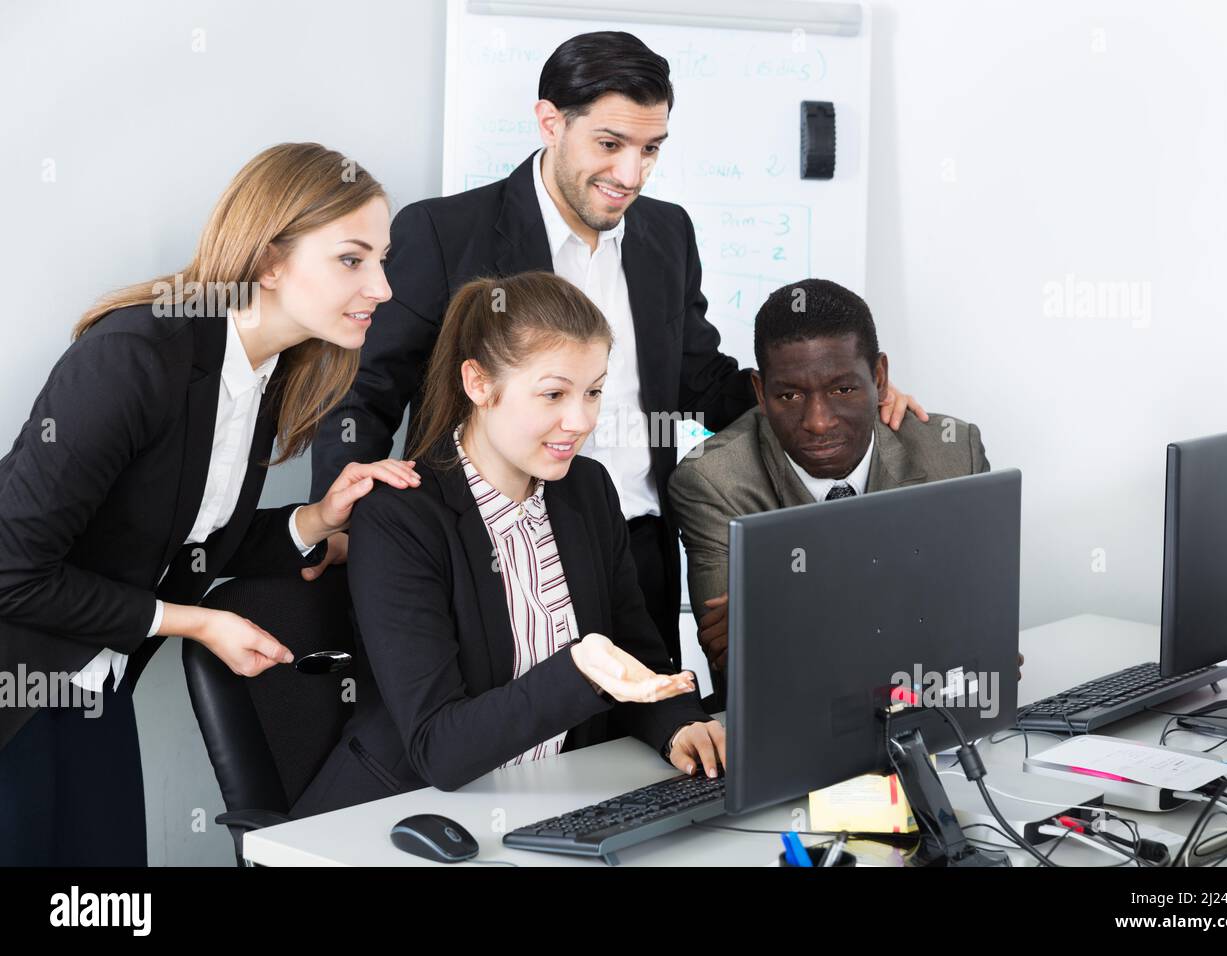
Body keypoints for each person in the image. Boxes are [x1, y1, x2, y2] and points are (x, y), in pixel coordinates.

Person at [308, 31, 927, 670]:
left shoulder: (667, 233)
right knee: (512, 753)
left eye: (650, 149)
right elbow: (366, 393)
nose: (630, 174)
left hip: (637, 551)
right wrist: (345, 515)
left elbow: (698, 381)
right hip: (491, 551)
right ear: (550, 122)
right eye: (610, 145)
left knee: (649, 748)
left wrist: (838, 398)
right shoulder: (444, 233)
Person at [0, 142, 420, 865]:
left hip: (91, 684)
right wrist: (196, 622)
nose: (382, 287)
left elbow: (181, 537)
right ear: (268, 262)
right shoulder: (134, 357)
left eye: (383, 258)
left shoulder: (261, 376)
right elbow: (10, 567)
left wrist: (316, 520)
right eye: (353, 259)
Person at [291, 271, 725, 816]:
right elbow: (439, 748)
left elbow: (636, 653)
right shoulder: (401, 518)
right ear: (478, 384)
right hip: (404, 815)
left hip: (546, 802)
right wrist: (578, 670)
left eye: (593, 391)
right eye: (553, 394)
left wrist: (677, 725)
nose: (580, 420)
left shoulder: (587, 491)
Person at [669, 279, 991, 706]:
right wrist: (921, 621)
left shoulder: (952, 452)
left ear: (879, 377)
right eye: (790, 394)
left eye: (842, 389)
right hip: (794, 737)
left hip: (940, 727)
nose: (818, 422)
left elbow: (983, 631)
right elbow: (744, 662)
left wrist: (785, 613)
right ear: (761, 393)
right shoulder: (711, 481)